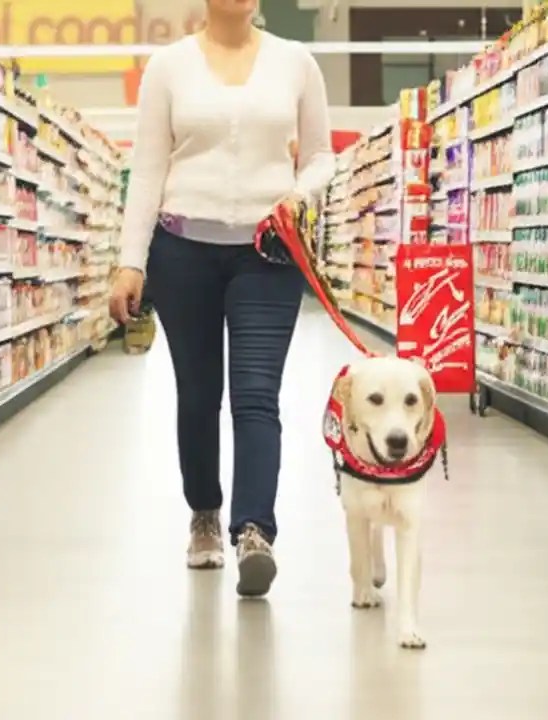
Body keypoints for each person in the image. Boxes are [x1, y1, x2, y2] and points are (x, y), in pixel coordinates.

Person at [108, 0, 334, 598]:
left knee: (258, 396)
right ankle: (204, 513)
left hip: (268, 254)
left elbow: (319, 156)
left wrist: (299, 193)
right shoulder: (168, 67)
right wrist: (131, 262)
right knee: (199, 394)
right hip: (182, 254)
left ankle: (254, 530)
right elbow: (148, 168)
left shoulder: (296, 62)